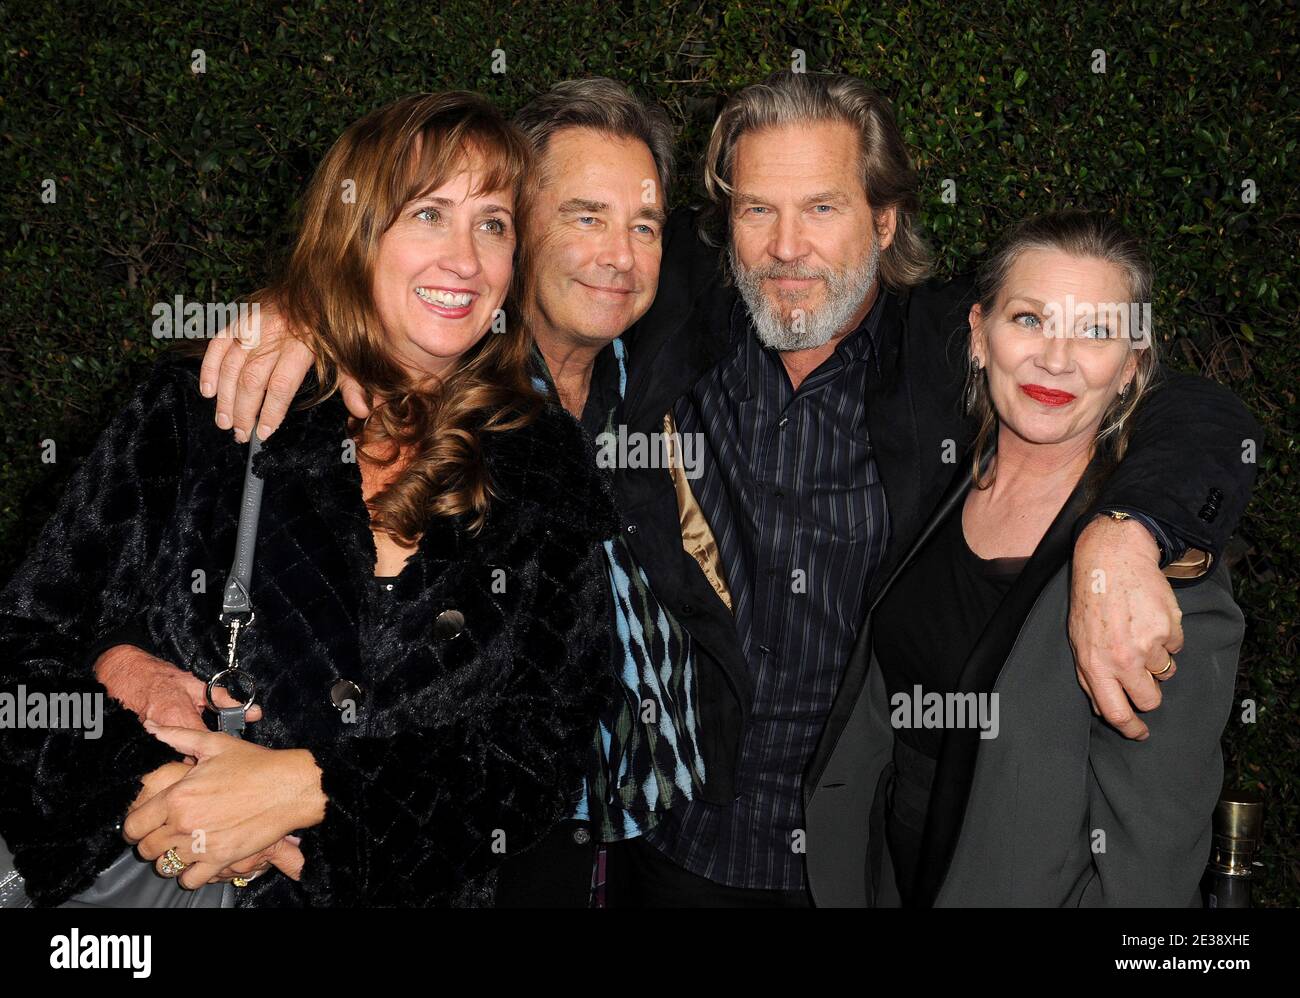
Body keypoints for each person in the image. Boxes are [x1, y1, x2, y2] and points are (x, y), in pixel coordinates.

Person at [168, 72, 1258, 906]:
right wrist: (308, 308)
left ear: (883, 222)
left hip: (858, 861)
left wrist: (1128, 528)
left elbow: (1187, 406)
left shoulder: (950, 352)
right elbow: (473, 243)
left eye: (822, 208)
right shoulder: (678, 314)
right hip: (671, 846)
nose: (787, 249)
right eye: (755, 210)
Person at [0, 91, 619, 907]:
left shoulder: (541, 462)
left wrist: (310, 791)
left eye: (493, 224)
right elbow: (20, 651)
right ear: (355, 233)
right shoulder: (204, 412)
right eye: (428, 214)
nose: (466, 259)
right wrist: (162, 791)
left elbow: (542, 750)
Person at [812, 211, 1247, 906]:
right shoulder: (938, 473)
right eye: (1030, 318)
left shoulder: (1152, 578)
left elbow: (1150, 866)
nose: (1056, 359)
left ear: (1133, 367)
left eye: (1096, 332)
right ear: (979, 335)